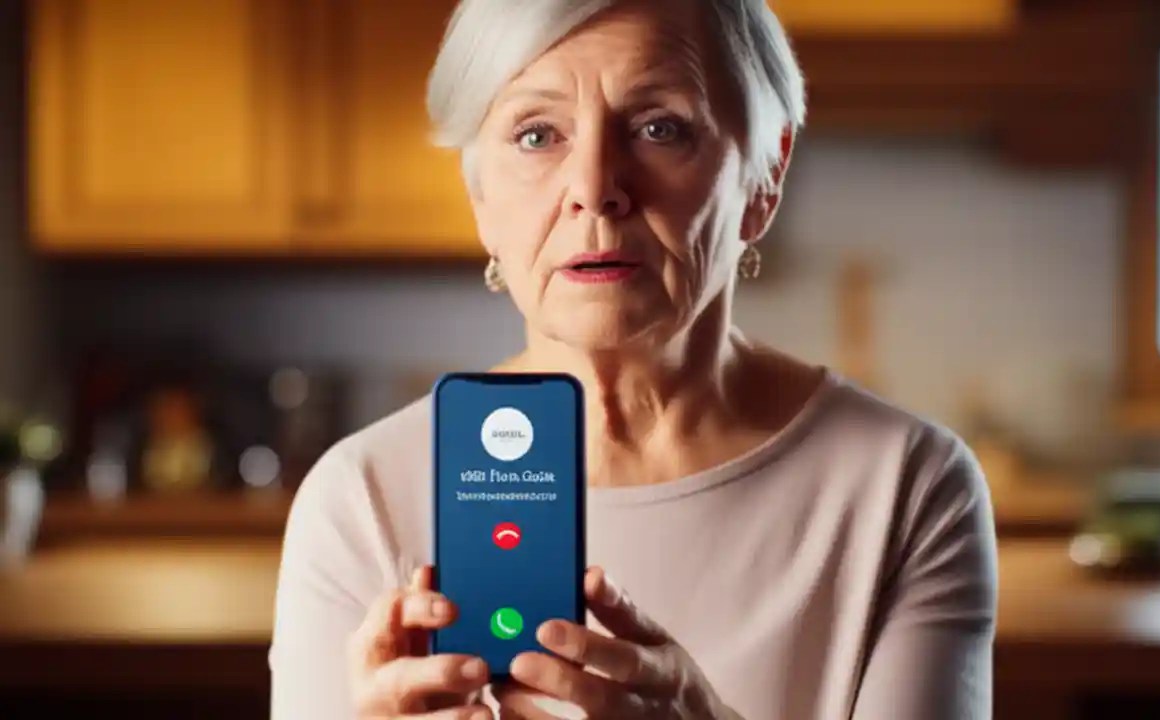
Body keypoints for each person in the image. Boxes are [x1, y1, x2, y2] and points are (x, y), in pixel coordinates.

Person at [269, 0, 997, 718]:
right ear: (480, 194)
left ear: (765, 178)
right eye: (536, 135)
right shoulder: (361, 501)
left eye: (659, 128)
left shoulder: (909, 486)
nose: (595, 190)